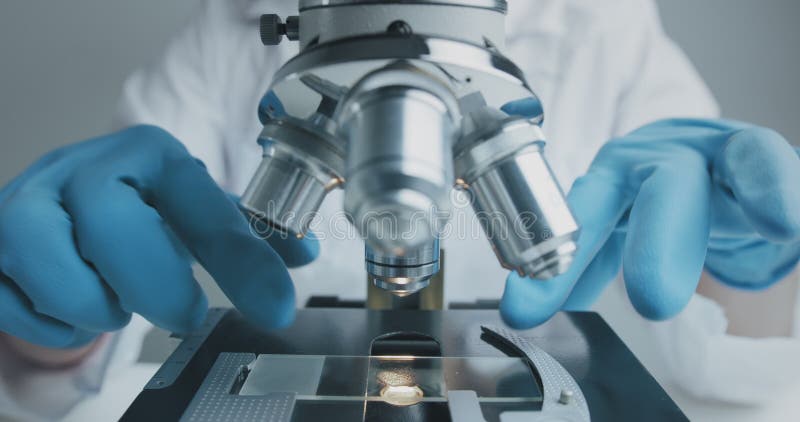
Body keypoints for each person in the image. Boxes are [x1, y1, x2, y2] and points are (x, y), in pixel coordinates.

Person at [1, 0, 799, 420]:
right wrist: (49, 323)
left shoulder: (605, 24)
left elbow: (730, 371)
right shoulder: (229, 28)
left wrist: (748, 262)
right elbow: (93, 314)